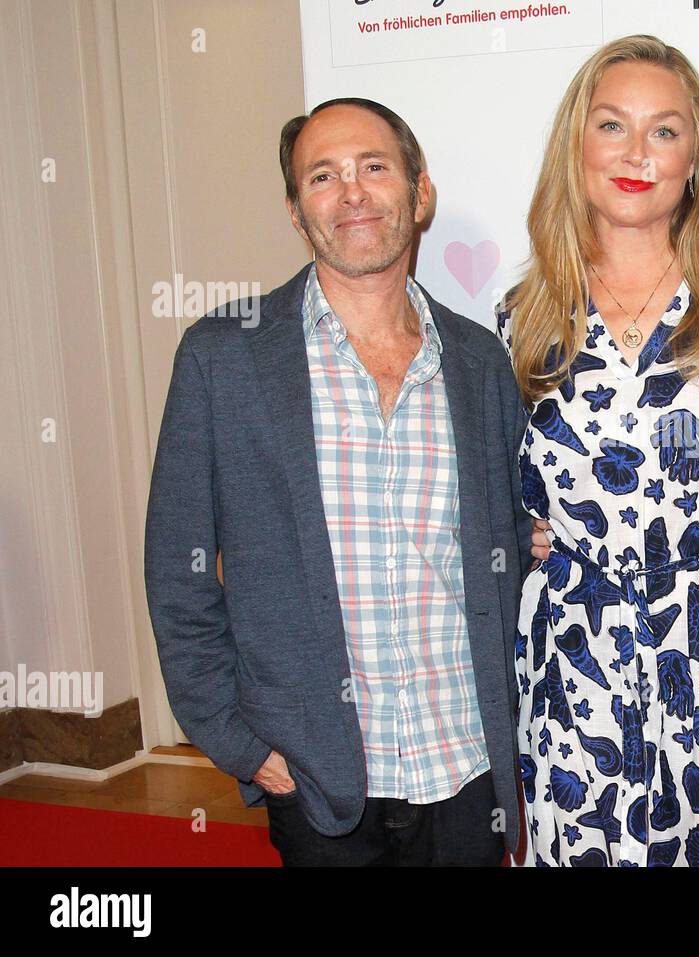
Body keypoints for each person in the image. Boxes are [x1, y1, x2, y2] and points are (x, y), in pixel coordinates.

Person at [144, 97, 530, 866]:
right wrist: (235, 736)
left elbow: (509, 544)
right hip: (319, 783)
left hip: (468, 773)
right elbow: (176, 571)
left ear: (419, 194)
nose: (351, 192)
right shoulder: (224, 359)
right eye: (323, 176)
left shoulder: (481, 362)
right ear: (296, 211)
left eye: (373, 168)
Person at [497, 35, 699, 866]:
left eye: (664, 131)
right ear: (577, 146)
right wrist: (521, 527)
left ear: (697, 158)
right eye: (612, 126)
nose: (637, 154)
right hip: (578, 669)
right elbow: (501, 485)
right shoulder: (522, 316)